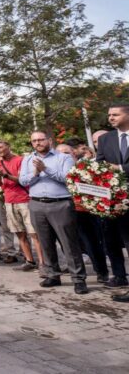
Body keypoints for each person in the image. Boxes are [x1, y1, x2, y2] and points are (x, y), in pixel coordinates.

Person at [20, 131, 88, 294]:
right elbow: (23, 180)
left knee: (69, 243)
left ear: (49, 140)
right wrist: (36, 173)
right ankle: (52, 275)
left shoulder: (63, 157)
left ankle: (78, 279)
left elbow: (68, 178)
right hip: (36, 204)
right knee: (45, 242)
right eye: (34, 141)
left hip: (60, 204)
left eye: (41, 139)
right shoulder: (28, 159)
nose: (37, 143)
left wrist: (46, 169)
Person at [62, 138, 110, 284]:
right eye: (60, 154)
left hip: (83, 210)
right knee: (69, 243)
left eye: (66, 153)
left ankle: (101, 271)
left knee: (92, 242)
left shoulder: (84, 166)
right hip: (62, 209)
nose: (63, 156)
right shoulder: (53, 168)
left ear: (74, 153)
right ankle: (77, 272)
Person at [0, 140, 44, 272]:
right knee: (19, 232)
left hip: (25, 199)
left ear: (8, 146)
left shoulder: (21, 160)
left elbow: (22, 179)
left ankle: (43, 262)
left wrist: (5, 175)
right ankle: (29, 260)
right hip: (9, 200)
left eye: (1, 147)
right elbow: (0, 184)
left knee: (33, 233)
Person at [96, 104, 129, 302]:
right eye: (109, 115)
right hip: (112, 201)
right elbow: (99, 165)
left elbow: (115, 167)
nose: (111, 118)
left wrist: (119, 168)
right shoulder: (105, 138)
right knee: (113, 241)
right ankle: (120, 277)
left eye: (115, 114)